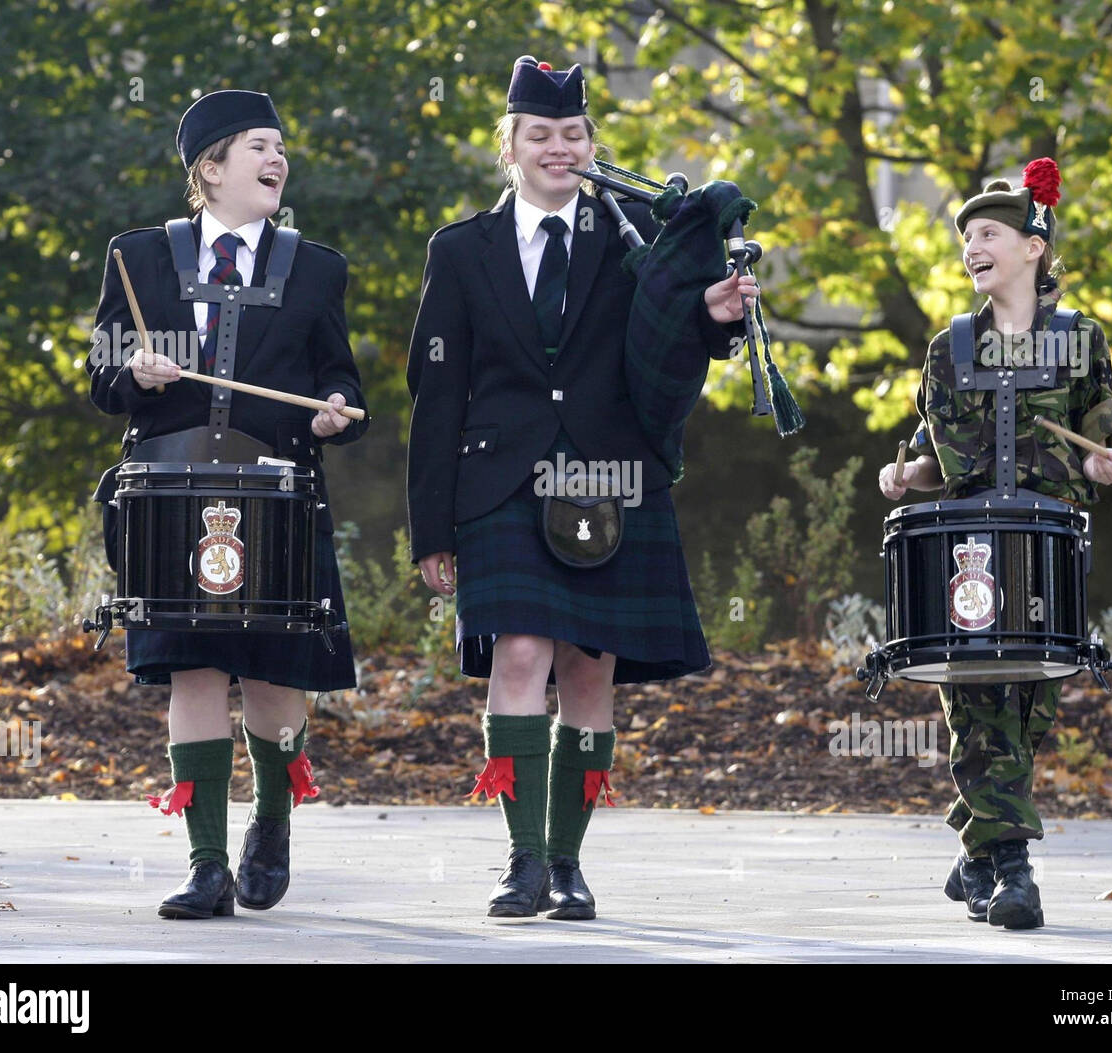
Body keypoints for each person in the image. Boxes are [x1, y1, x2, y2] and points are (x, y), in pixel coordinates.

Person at [406, 56, 756, 920]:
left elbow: (681, 330)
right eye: (540, 135)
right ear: (511, 148)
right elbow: (436, 393)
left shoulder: (639, 234)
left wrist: (717, 313)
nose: (558, 148)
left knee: (589, 669)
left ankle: (568, 862)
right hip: (502, 480)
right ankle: (522, 858)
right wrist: (431, 526)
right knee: (521, 653)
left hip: (613, 475)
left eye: (572, 134)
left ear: (592, 143)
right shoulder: (460, 250)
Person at [87, 90, 368, 918]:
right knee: (194, 668)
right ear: (209, 169)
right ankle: (206, 861)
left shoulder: (315, 268)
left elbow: (340, 376)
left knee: (275, 676)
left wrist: (335, 406)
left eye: (280, 147)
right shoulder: (139, 259)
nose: (277, 159)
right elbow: (102, 377)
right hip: (169, 499)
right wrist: (132, 372)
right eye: (257, 147)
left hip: (277, 496)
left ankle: (271, 824)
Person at [878, 158, 1112, 929]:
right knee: (980, 700)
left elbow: (1102, 433)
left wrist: (1102, 459)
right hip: (970, 553)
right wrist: (905, 476)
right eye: (966, 238)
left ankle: (976, 849)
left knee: (1031, 709)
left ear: (1034, 247)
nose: (972, 247)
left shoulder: (1080, 338)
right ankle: (1013, 871)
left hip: (1049, 548)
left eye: (989, 233)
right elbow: (930, 452)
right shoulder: (947, 348)